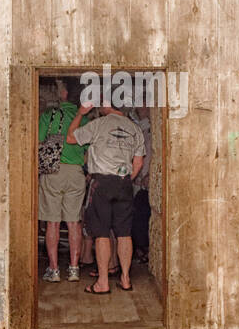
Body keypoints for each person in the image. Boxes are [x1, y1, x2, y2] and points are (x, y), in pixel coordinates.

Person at [67, 98, 145, 294]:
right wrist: (124, 180)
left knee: (101, 233)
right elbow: (138, 163)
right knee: (124, 233)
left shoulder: (99, 124)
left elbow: (71, 138)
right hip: (124, 183)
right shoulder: (135, 129)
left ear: (106, 105)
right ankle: (125, 279)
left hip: (101, 183)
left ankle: (102, 282)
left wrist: (80, 114)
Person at [38, 79, 87, 282]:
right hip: (76, 172)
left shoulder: (50, 115)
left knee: (53, 222)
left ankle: (54, 269)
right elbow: (87, 149)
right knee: (74, 222)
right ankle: (74, 269)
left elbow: (38, 141)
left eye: (60, 88)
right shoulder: (84, 119)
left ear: (65, 93)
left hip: (53, 171)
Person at [131, 105, 153, 263]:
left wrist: (150, 174)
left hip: (147, 180)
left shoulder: (153, 130)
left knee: (144, 215)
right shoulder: (138, 128)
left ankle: (145, 249)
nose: (142, 107)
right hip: (137, 179)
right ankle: (140, 249)